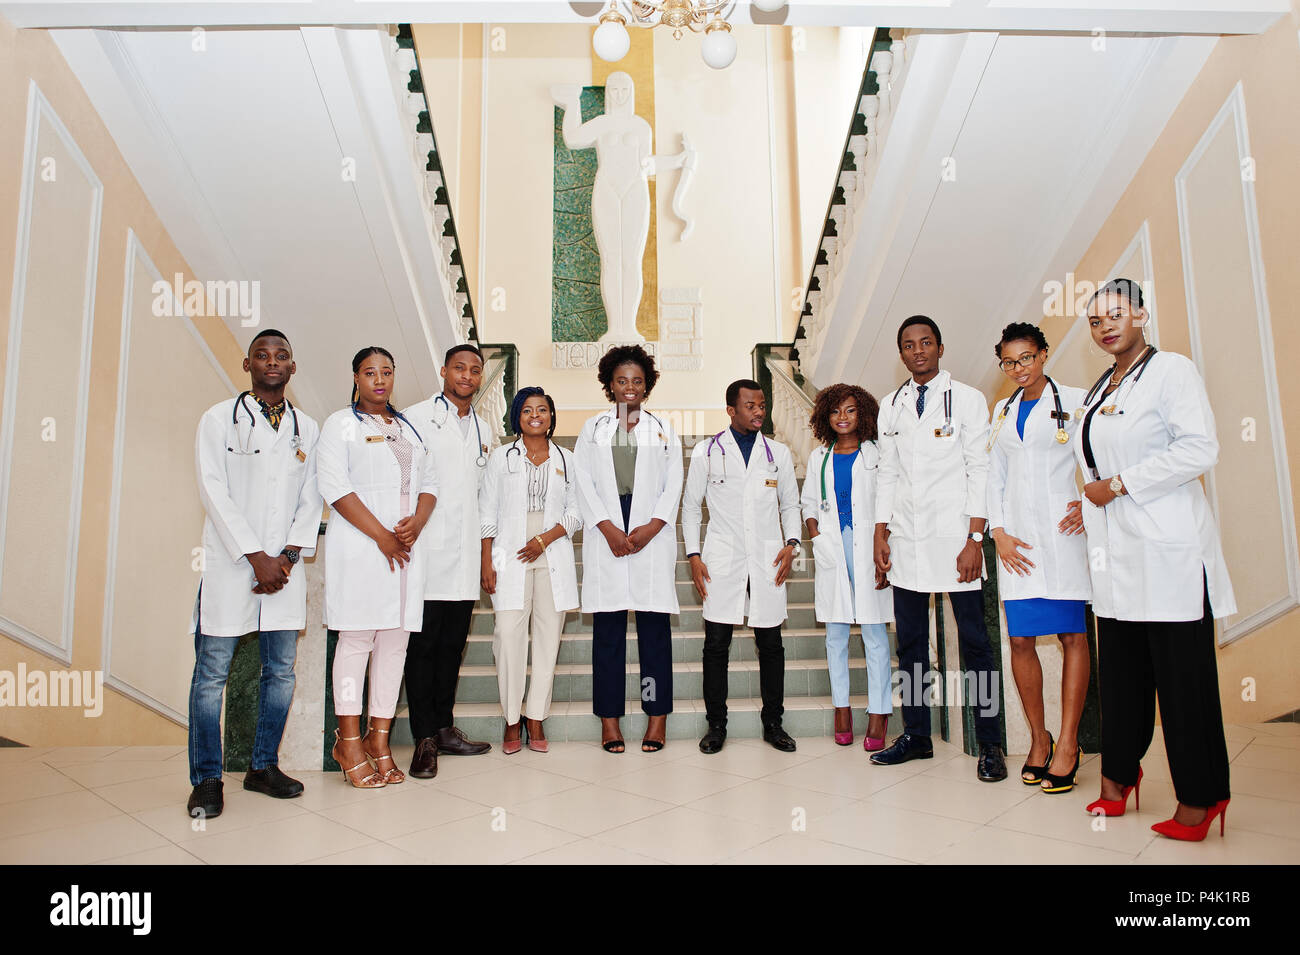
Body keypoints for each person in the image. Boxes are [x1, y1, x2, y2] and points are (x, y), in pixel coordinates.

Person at [1075, 279, 1236, 841]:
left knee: (1182, 680)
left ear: (1142, 314)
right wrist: (1096, 496)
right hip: (1117, 556)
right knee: (1121, 676)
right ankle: (1120, 776)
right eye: (1096, 321)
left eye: (1116, 314)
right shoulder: (1100, 388)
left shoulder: (1172, 372)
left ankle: (1203, 795)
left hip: (1168, 552)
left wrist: (1119, 484)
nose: (1106, 327)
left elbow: (1200, 448)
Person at [188, 329, 322, 819]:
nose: (272, 361)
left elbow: (312, 499)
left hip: (283, 572)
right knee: (211, 675)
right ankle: (206, 778)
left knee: (280, 672)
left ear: (292, 366)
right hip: (231, 568)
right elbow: (213, 491)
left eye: (282, 355)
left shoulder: (307, 428)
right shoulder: (218, 420)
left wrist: (284, 557)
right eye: (263, 355)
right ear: (247, 365)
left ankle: (263, 766)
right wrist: (254, 556)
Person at [871, 316, 1007, 782]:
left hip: (956, 544)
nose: (918, 351)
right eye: (908, 345)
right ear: (902, 354)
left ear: (941, 348)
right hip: (906, 543)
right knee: (909, 644)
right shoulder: (891, 405)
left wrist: (975, 539)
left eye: (926, 342)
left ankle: (991, 744)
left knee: (976, 645)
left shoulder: (967, 400)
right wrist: (879, 531)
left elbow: (980, 468)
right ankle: (916, 735)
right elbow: (886, 473)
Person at [317, 347, 438, 788]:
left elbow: (431, 483)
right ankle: (348, 740)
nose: (380, 379)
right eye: (370, 372)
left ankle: (379, 739)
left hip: (406, 552)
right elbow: (335, 487)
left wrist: (418, 522)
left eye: (387, 371)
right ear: (355, 376)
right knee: (355, 643)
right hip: (363, 549)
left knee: (395, 645)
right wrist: (382, 536)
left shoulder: (409, 427)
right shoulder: (340, 425)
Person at [987, 322, 1091, 793]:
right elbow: (994, 475)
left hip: (1062, 535)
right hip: (1018, 543)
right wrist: (999, 533)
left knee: (1072, 635)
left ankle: (1069, 743)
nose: (1018, 368)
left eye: (1026, 358)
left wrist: (1090, 502)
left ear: (1044, 354)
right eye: (1009, 361)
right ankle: (1038, 739)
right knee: (1022, 642)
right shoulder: (1002, 411)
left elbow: (1097, 456)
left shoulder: (1077, 400)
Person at [573, 345, 683, 753]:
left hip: (649, 527)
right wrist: (607, 528)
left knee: (654, 633)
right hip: (608, 528)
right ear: (609, 384)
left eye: (637, 380)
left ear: (647, 385)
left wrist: (654, 525)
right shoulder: (593, 429)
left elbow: (674, 481)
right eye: (622, 380)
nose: (629, 387)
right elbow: (582, 482)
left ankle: (657, 721)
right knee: (608, 634)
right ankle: (610, 722)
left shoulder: (663, 428)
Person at [682, 380, 802, 754]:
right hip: (722, 557)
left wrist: (793, 544)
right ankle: (716, 725)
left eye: (762, 405)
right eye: (750, 406)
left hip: (768, 557)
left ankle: (773, 723)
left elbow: (790, 506)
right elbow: (689, 507)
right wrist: (694, 555)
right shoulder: (706, 452)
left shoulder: (778, 453)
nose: (759, 411)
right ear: (731, 410)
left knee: (771, 642)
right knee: (716, 644)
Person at [402, 344, 496, 778]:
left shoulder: (484, 429)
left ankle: (443, 727)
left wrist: (483, 558)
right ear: (443, 371)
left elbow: (483, 499)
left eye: (475, 370)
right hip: (425, 552)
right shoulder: (416, 419)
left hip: (462, 562)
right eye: (460, 368)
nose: (468, 376)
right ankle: (423, 738)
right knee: (422, 649)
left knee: (451, 648)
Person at [480, 388, 581, 754]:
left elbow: (576, 512)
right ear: (516, 417)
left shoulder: (567, 459)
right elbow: (487, 512)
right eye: (527, 410)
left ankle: (535, 717)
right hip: (509, 554)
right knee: (508, 635)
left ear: (552, 416)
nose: (535, 415)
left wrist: (545, 538)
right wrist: (486, 559)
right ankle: (511, 720)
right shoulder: (500, 458)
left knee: (547, 636)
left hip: (550, 549)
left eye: (542, 410)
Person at [801, 383, 895, 751]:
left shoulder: (877, 454)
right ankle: (842, 709)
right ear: (826, 415)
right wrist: (817, 537)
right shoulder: (818, 457)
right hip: (833, 549)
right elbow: (809, 503)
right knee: (836, 635)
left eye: (850, 410)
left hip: (868, 547)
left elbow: (888, 501)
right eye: (836, 411)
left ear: (863, 414)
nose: (842, 417)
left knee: (874, 635)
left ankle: (879, 712)